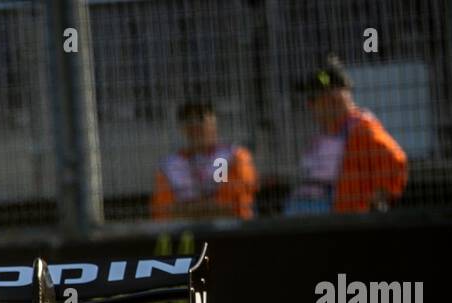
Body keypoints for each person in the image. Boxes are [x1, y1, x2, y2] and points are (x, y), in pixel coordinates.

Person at [286, 54, 409, 215]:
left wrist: (376, 201)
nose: (310, 107)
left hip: (341, 216)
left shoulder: (361, 129)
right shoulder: (324, 135)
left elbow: (396, 161)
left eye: (313, 101)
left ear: (332, 101)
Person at [151, 101, 258, 221]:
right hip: (186, 233)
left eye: (201, 118)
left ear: (215, 123)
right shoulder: (169, 165)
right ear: (181, 128)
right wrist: (207, 207)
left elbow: (233, 206)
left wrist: (187, 209)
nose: (195, 124)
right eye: (188, 120)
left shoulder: (230, 157)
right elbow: (163, 212)